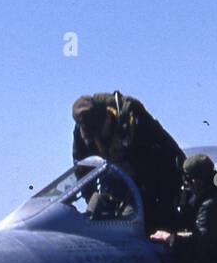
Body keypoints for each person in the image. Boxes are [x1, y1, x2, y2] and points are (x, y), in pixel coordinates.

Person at [72, 92, 185, 233]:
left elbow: (166, 149)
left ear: (107, 116)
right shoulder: (85, 131)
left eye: (98, 130)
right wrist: (90, 197)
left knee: (149, 223)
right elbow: (82, 168)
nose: (97, 136)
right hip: (113, 180)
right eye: (92, 133)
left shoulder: (134, 119)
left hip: (151, 180)